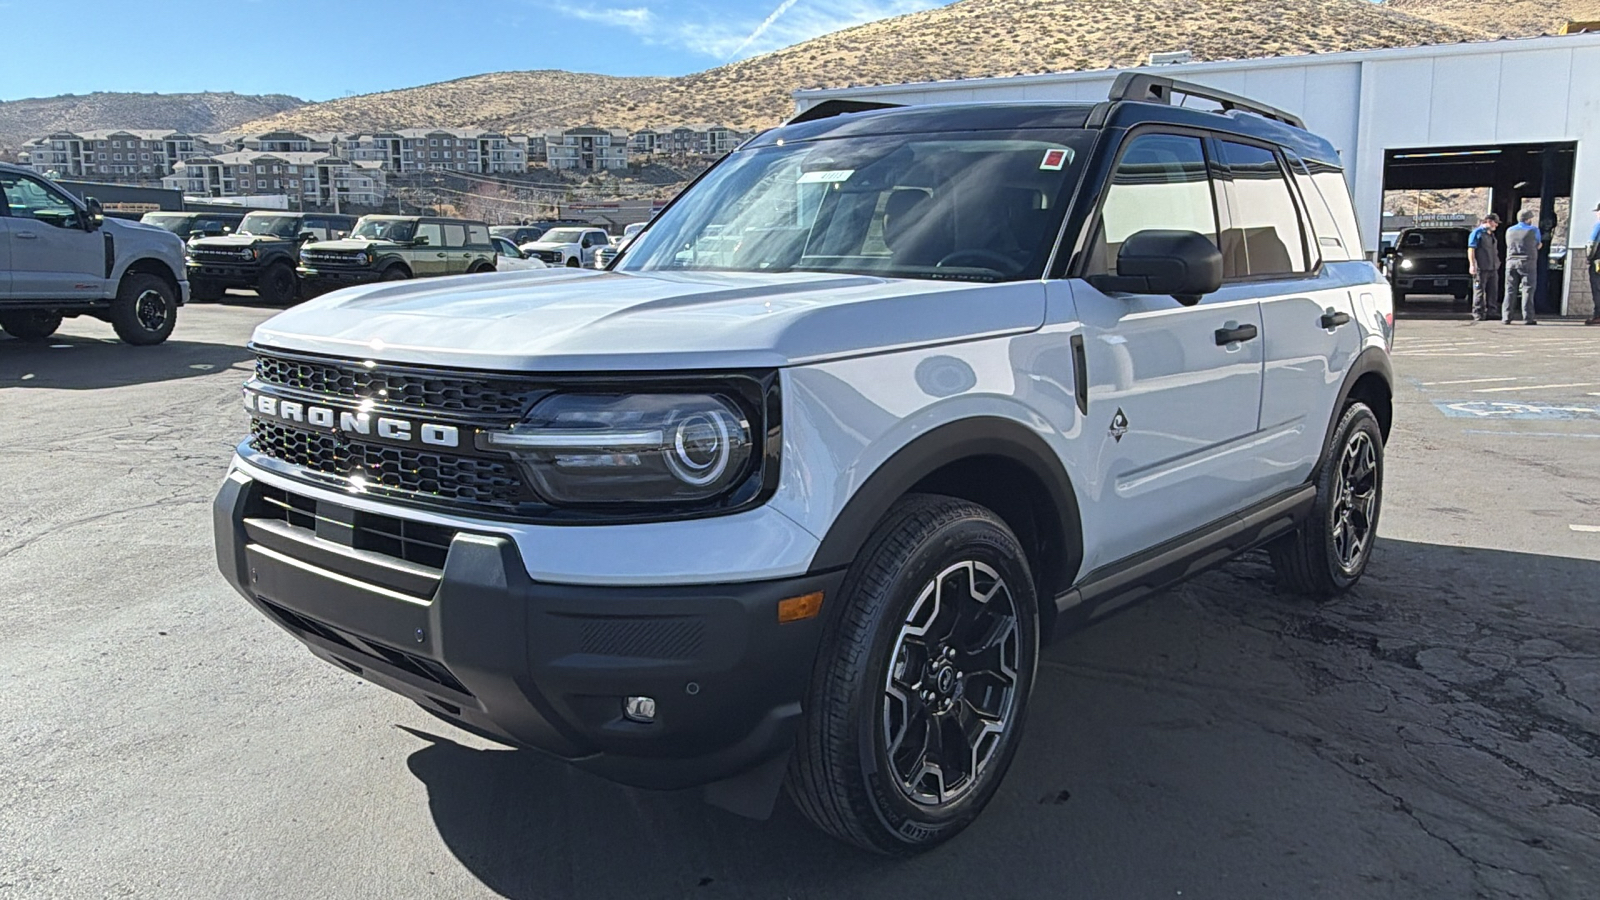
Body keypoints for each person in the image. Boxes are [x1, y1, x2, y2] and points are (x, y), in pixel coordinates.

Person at [1503, 208, 1541, 325]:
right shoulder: (1533, 230)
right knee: (1527, 289)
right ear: (1528, 219)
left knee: (1510, 290)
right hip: (1527, 263)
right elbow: (1538, 245)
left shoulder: (1509, 230)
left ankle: (1506, 317)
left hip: (1511, 263)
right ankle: (1528, 317)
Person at [1468, 213, 1500, 322]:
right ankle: (1478, 312)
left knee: (1493, 290)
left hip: (1492, 267)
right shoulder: (1477, 233)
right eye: (1495, 223)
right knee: (1479, 291)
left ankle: (1492, 311)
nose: (1496, 225)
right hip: (1481, 267)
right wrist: (1472, 265)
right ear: (1489, 221)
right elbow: (1471, 249)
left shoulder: (1490, 234)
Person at [1587, 202, 1600, 326]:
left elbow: (1592, 244)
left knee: (1597, 288)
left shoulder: (1599, 225)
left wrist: (1589, 257)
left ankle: (1598, 315)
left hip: (1598, 262)